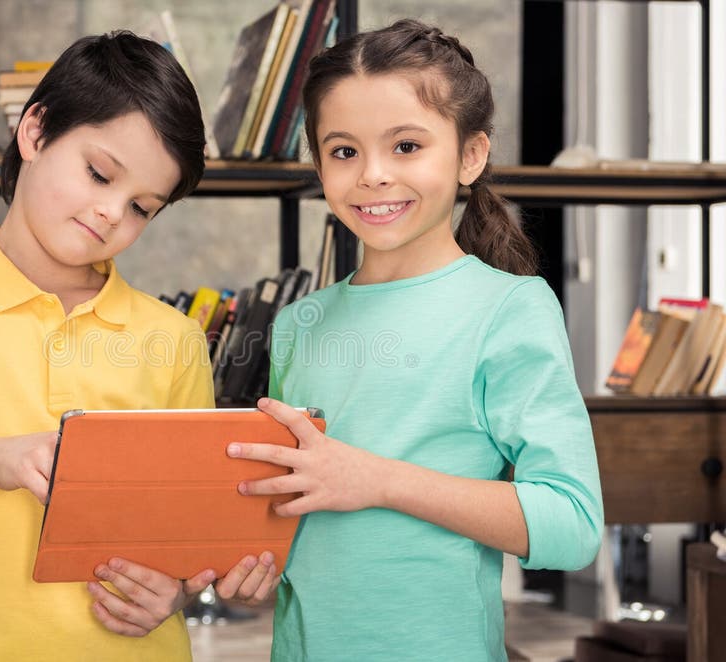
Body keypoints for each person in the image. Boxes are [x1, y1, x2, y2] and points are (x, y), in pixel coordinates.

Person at [0, 31, 276, 662]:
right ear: (34, 131)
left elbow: (178, 541)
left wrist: (170, 592)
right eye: (98, 174)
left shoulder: (171, 338)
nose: (112, 214)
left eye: (143, 207)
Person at [220, 18, 604, 661]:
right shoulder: (297, 325)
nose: (372, 174)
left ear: (470, 156)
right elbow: (295, 518)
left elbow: (573, 526)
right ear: (318, 163)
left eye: (406, 146)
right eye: (344, 151)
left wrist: (378, 480)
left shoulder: (509, 308)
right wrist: (251, 571)